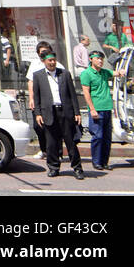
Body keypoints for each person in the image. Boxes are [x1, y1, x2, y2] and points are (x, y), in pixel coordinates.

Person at [31, 50, 84, 179]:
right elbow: (36, 97)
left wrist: (77, 112)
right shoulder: (38, 76)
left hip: (65, 112)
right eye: (50, 60)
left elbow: (72, 95)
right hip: (49, 112)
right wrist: (38, 114)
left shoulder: (64, 74)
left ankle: (77, 168)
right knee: (51, 143)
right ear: (44, 61)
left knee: (70, 141)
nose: (52, 62)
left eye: (54, 60)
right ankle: (54, 167)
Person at [79, 49, 114, 172]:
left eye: (101, 59)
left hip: (107, 108)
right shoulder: (86, 74)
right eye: (97, 58)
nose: (100, 61)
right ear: (91, 59)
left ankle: (105, 162)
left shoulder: (104, 72)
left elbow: (115, 73)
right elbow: (86, 92)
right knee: (97, 136)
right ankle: (97, 162)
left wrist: (121, 71)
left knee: (107, 137)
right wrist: (92, 109)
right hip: (96, 109)